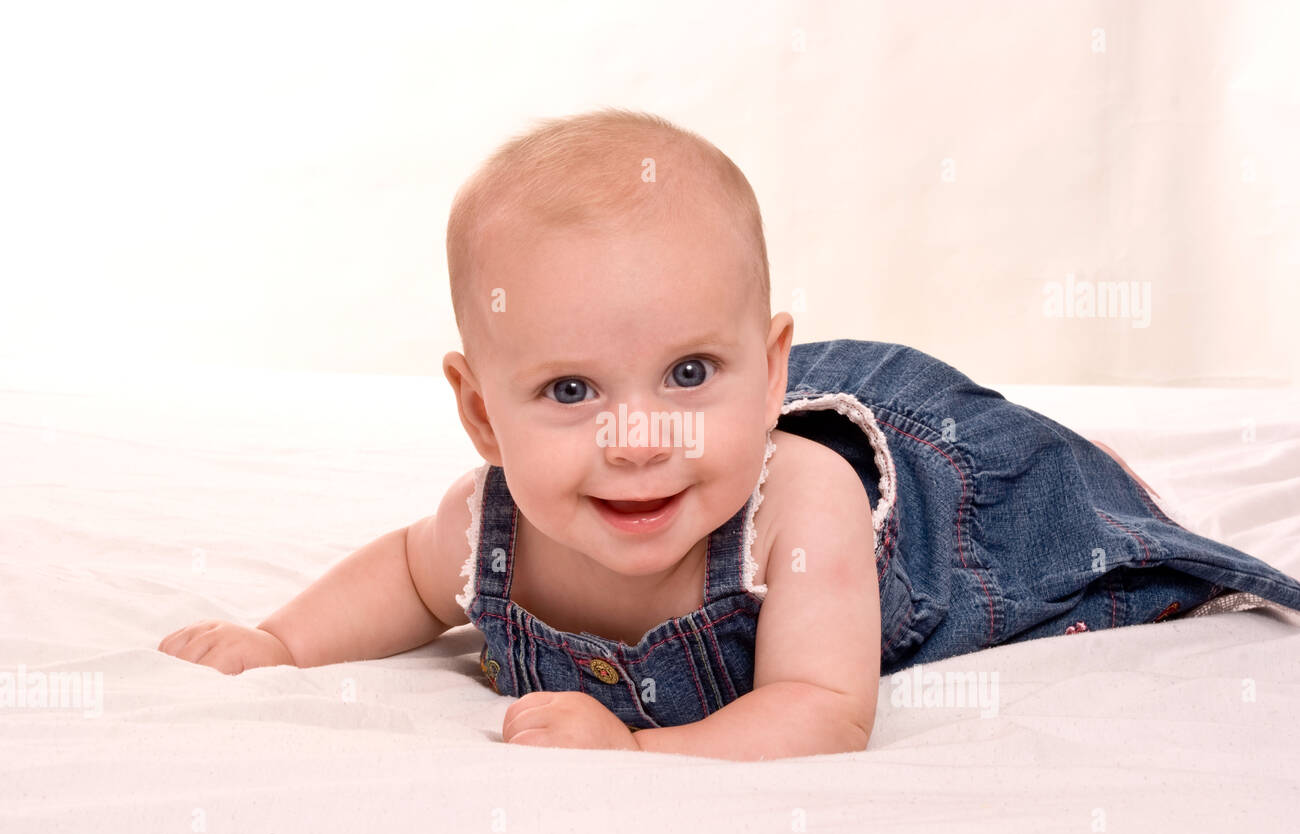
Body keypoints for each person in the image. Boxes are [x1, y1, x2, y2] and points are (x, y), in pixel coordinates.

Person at [158, 108, 1300, 761]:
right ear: (478, 413)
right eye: (568, 390)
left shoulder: (798, 512)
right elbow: (404, 580)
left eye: (688, 372)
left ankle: (1087, 486)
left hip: (939, 515)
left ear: (765, 370)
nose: (639, 434)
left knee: (1074, 531)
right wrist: (280, 640)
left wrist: (636, 753)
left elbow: (822, 707)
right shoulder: (487, 522)